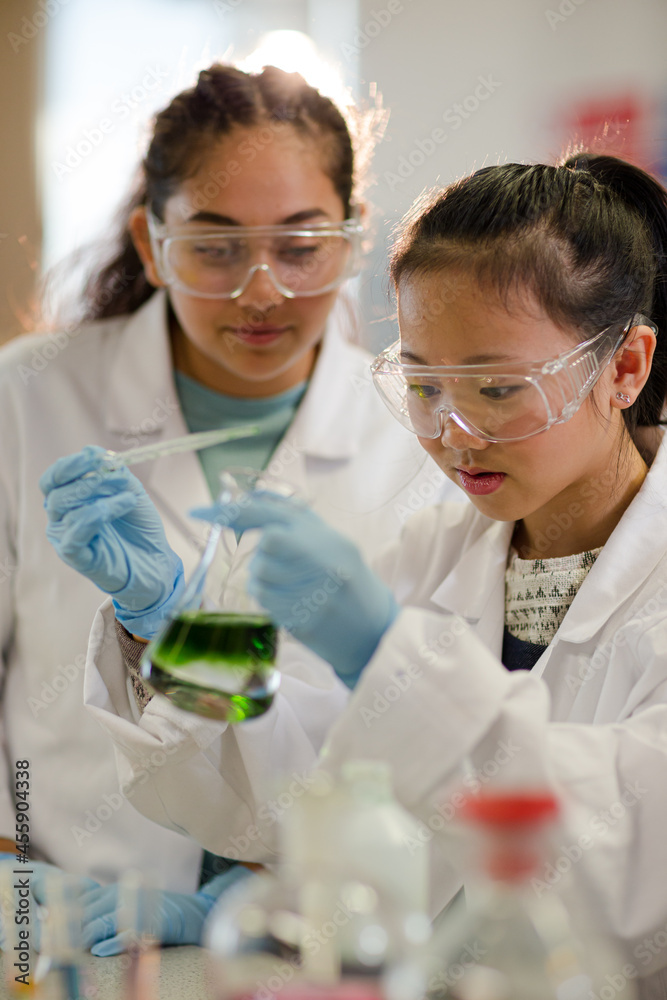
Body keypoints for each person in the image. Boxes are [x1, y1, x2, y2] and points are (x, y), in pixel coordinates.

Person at [41, 151, 667, 994]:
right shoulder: (431, 552)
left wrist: (384, 655)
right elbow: (283, 790)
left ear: (623, 368)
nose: (453, 432)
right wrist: (169, 620)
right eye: (423, 384)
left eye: (495, 388)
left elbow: (618, 861)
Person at [0, 62, 456, 956]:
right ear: (149, 242)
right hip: (53, 930)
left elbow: (415, 736)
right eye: (214, 246)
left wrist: (263, 900)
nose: (261, 291)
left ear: (356, 240)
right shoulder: (28, 400)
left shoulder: (423, 436)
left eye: (300, 246)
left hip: (318, 935)